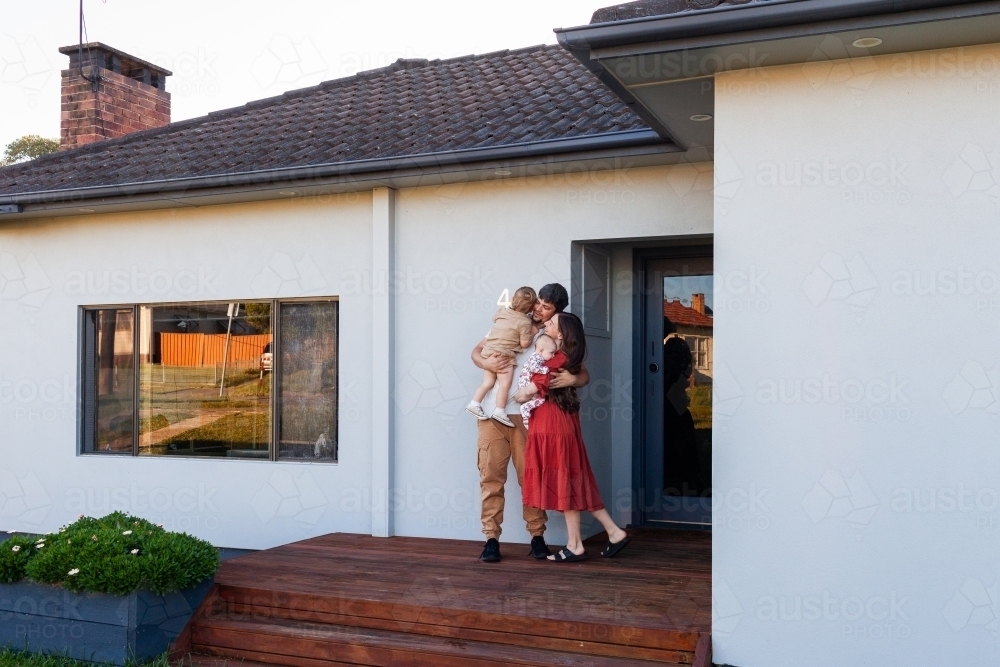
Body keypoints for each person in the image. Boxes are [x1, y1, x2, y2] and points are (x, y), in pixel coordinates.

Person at [471, 283, 589, 563]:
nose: (539, 309)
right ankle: (491, 539)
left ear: (556, 312)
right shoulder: (510, 321)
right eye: (539, 302)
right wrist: (486, 364)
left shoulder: (554, 336)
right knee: (491, 476)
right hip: (492, 415)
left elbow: (582, 373)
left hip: (529, 418)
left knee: (532, 478)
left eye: (547, 307)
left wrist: (573, 379)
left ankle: (537, 536)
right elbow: (476, 352)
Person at [515, 312, 630, 562]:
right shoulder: (562, 354)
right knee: (573, 478)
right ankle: (608, 533)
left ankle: (579, 543)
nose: (546, 324)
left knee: (566, 478)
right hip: (557, 422)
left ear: (561, 334)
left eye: (552, 323)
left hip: (553, 423)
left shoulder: (559, 356)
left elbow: (546, 379)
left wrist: (525, 392)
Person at [466, 286, 537, 426]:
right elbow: (523, 344)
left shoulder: (502, 312)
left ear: (512, 300)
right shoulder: (525, 322)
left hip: (489, 352)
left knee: (487, 383)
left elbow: (495, 319)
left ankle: (474, 403)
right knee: (504, 384)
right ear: (530, 308)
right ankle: (500, 410)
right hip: (504, 356)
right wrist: (530, 335)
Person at [516, 334, 557, 428]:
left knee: (538, 399)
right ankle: (525, 409)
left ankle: (526, 415)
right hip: (525, 383)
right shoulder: (536, 357)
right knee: (541, 399)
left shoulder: (538, 357)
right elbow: (533, 367)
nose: (553, 355)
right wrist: (544, 370)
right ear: (541, 350)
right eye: (551, 353)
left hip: (526, 383)